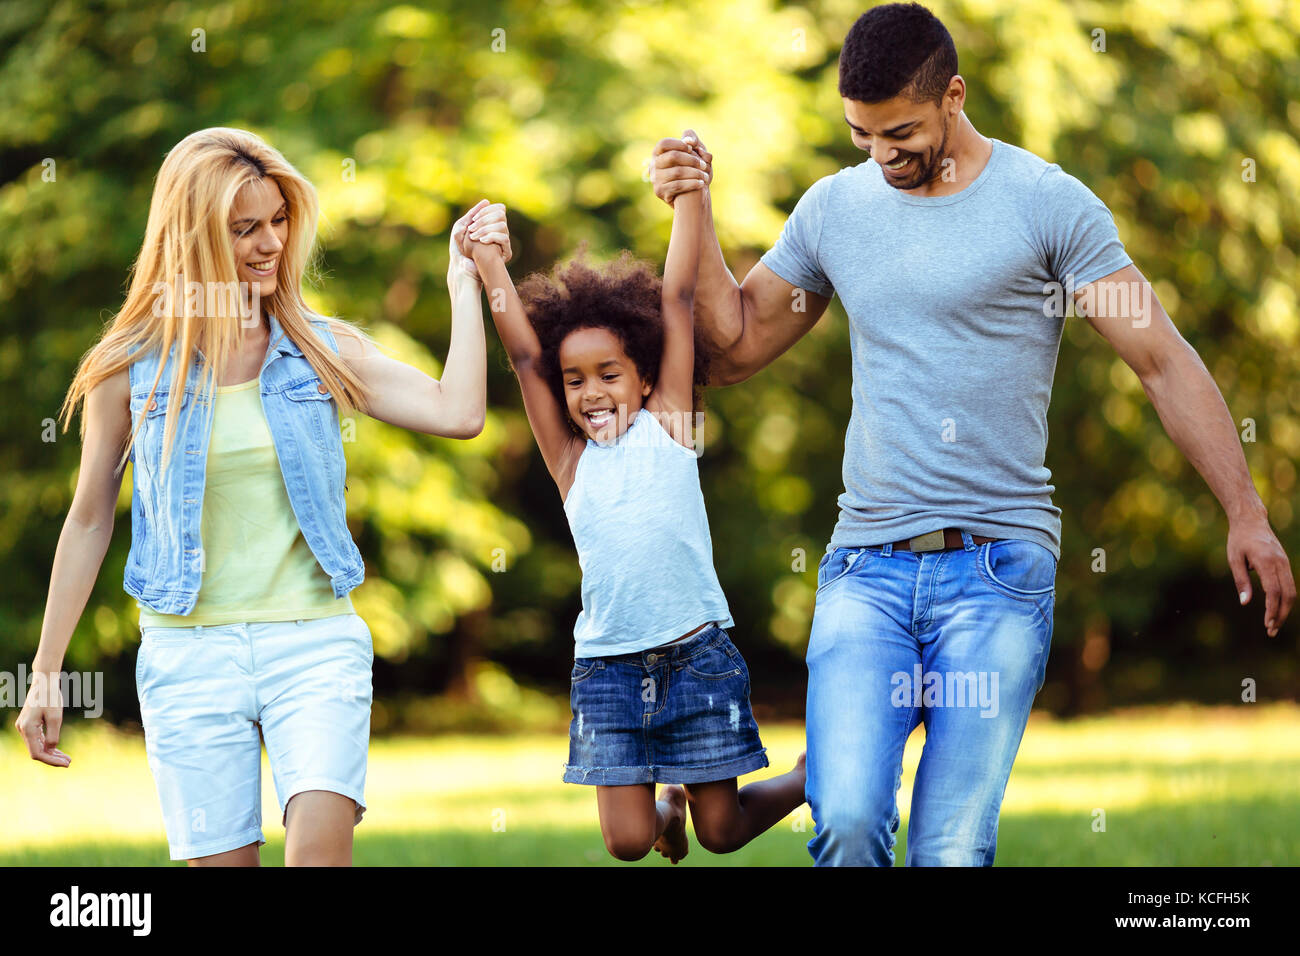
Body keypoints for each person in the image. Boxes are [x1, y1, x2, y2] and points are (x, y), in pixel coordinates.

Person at [650, 2, 1295, 866]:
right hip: (866, 569)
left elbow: (1160, 360)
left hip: (998, 573)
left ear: (954, 96)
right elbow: (730, 346)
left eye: (902, 133)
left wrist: (1244, 508)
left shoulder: (1045, 205)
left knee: (949, 845)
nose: (881, 156)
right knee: (842, 815)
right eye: (862, 135)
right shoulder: (837, 211)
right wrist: (693, 209)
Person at [14, 127, 498, 866]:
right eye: (244, 228)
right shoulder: (130, 371)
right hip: (187, 654)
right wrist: (45, 672)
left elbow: (458, 413)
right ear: (194, 236)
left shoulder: (318, 348)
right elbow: (87, 521)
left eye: (278, 221)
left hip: (314, 644)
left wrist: (464, 285)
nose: (270, 243)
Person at [459, 185, 805, 863]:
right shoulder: (570, 461)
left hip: (697, 659)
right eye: (576, 380)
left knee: (723, 833)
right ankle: (663, 810)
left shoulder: (671, 424)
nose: (591, 393)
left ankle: (809, 777)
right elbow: (527, 358)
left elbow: (676, 300)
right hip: (608, 671)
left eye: (608, 374)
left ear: (644, 378)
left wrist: (690, 203)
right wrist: (487, 265)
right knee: (625, 842)